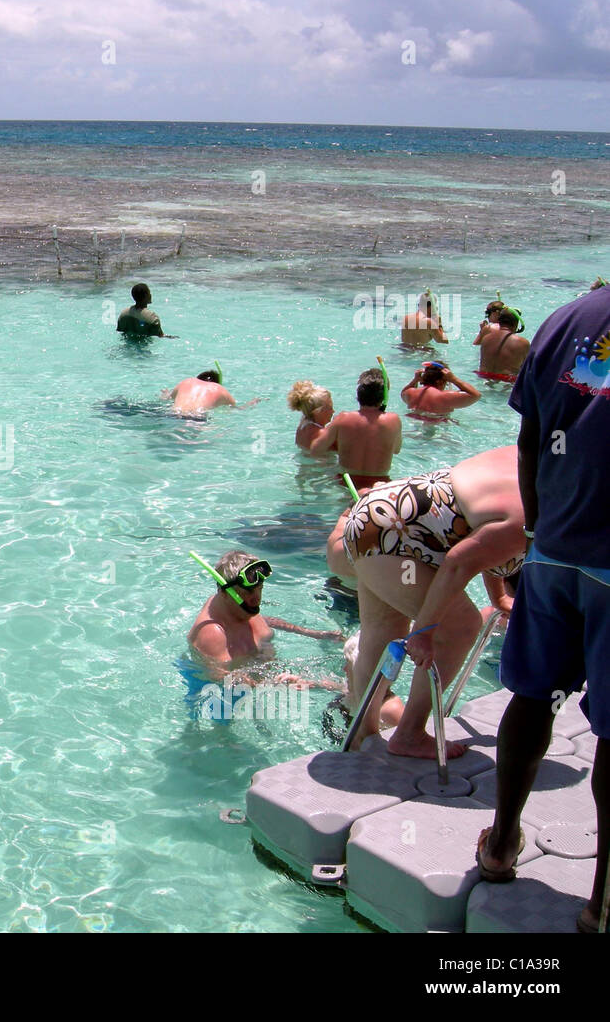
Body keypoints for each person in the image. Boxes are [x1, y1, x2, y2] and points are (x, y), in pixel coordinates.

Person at [475, 285, 609, 933]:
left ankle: (501, 844)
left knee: (533, 699)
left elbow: (531, 438)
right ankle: (600, 901)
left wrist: (535, 534)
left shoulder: (563, 320)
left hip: (554, 548)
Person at [342, 445, 526, 757]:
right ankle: (410, 733)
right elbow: (459, 562)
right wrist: (426, 631)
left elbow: (477, 538)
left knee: (383, 632)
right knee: (461, 626)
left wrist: (498, 597)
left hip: (377, 518)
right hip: (399, 538)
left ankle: (363, 734)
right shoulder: (536, 511)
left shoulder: (525, 458)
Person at [187, 550, 343, 684]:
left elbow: (264, 620)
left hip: (269, 674)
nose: (257, 598)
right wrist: (274, 683)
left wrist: (313, 633)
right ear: (225, 593)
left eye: (260, 589)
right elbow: (223, 679)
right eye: (248, 592)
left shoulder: (238, 607)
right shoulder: (212, 633)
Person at [307, 368, 402, 491]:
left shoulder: (342, 418)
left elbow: (316, 450)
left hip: (346, 484)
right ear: (384, 397)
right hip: (380, 485)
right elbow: (396, 450)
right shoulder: (393, 420)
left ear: (359, 394)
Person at [400, 360, 480, 417]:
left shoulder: (410, 393)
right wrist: (454, 379)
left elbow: (403, 394)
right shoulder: (446, 397)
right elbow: (476, 395)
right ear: (440, 381)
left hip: (414, 424)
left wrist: (415, 380)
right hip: (438, 428)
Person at [473, 308, 530, 381]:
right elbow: (527, 368)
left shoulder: (486, 339)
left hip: (483, 376)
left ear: (499, 322)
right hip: (507, 380)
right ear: (516, 324)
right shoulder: (522, 342)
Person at [287, 380, 334, 450]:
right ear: (317, 412)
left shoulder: (304, 423)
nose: (333, 411)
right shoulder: (320, 435)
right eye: (330, 408)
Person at [165, 369, 234, 415]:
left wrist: (166, 394)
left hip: (172, 414)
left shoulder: (188, 381)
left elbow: (167, 398)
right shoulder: (219, 388)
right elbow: (234, 408)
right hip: (196, 419)